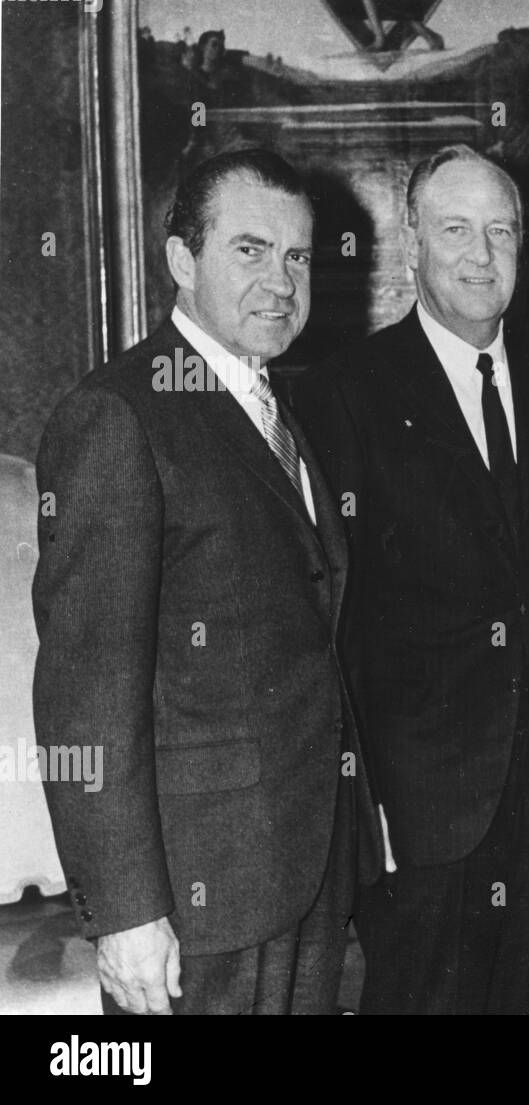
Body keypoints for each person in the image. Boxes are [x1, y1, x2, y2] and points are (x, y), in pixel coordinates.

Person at [32, 148, 379, 1015]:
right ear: (182, 262)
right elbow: (84, 692)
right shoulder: (122, 414)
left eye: (298, 257)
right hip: (198, 898)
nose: (281, 282)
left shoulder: (274, 412)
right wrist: (124, 912)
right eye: (251, 251)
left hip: (305, 870)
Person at [291, 145, 529, 1015]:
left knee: (517, 998)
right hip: (415, 790)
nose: (481, 254)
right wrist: (363, 791)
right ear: (412, 248)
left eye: (501, 231)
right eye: (456, 230)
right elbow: (336, 616)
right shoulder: (345, 393)